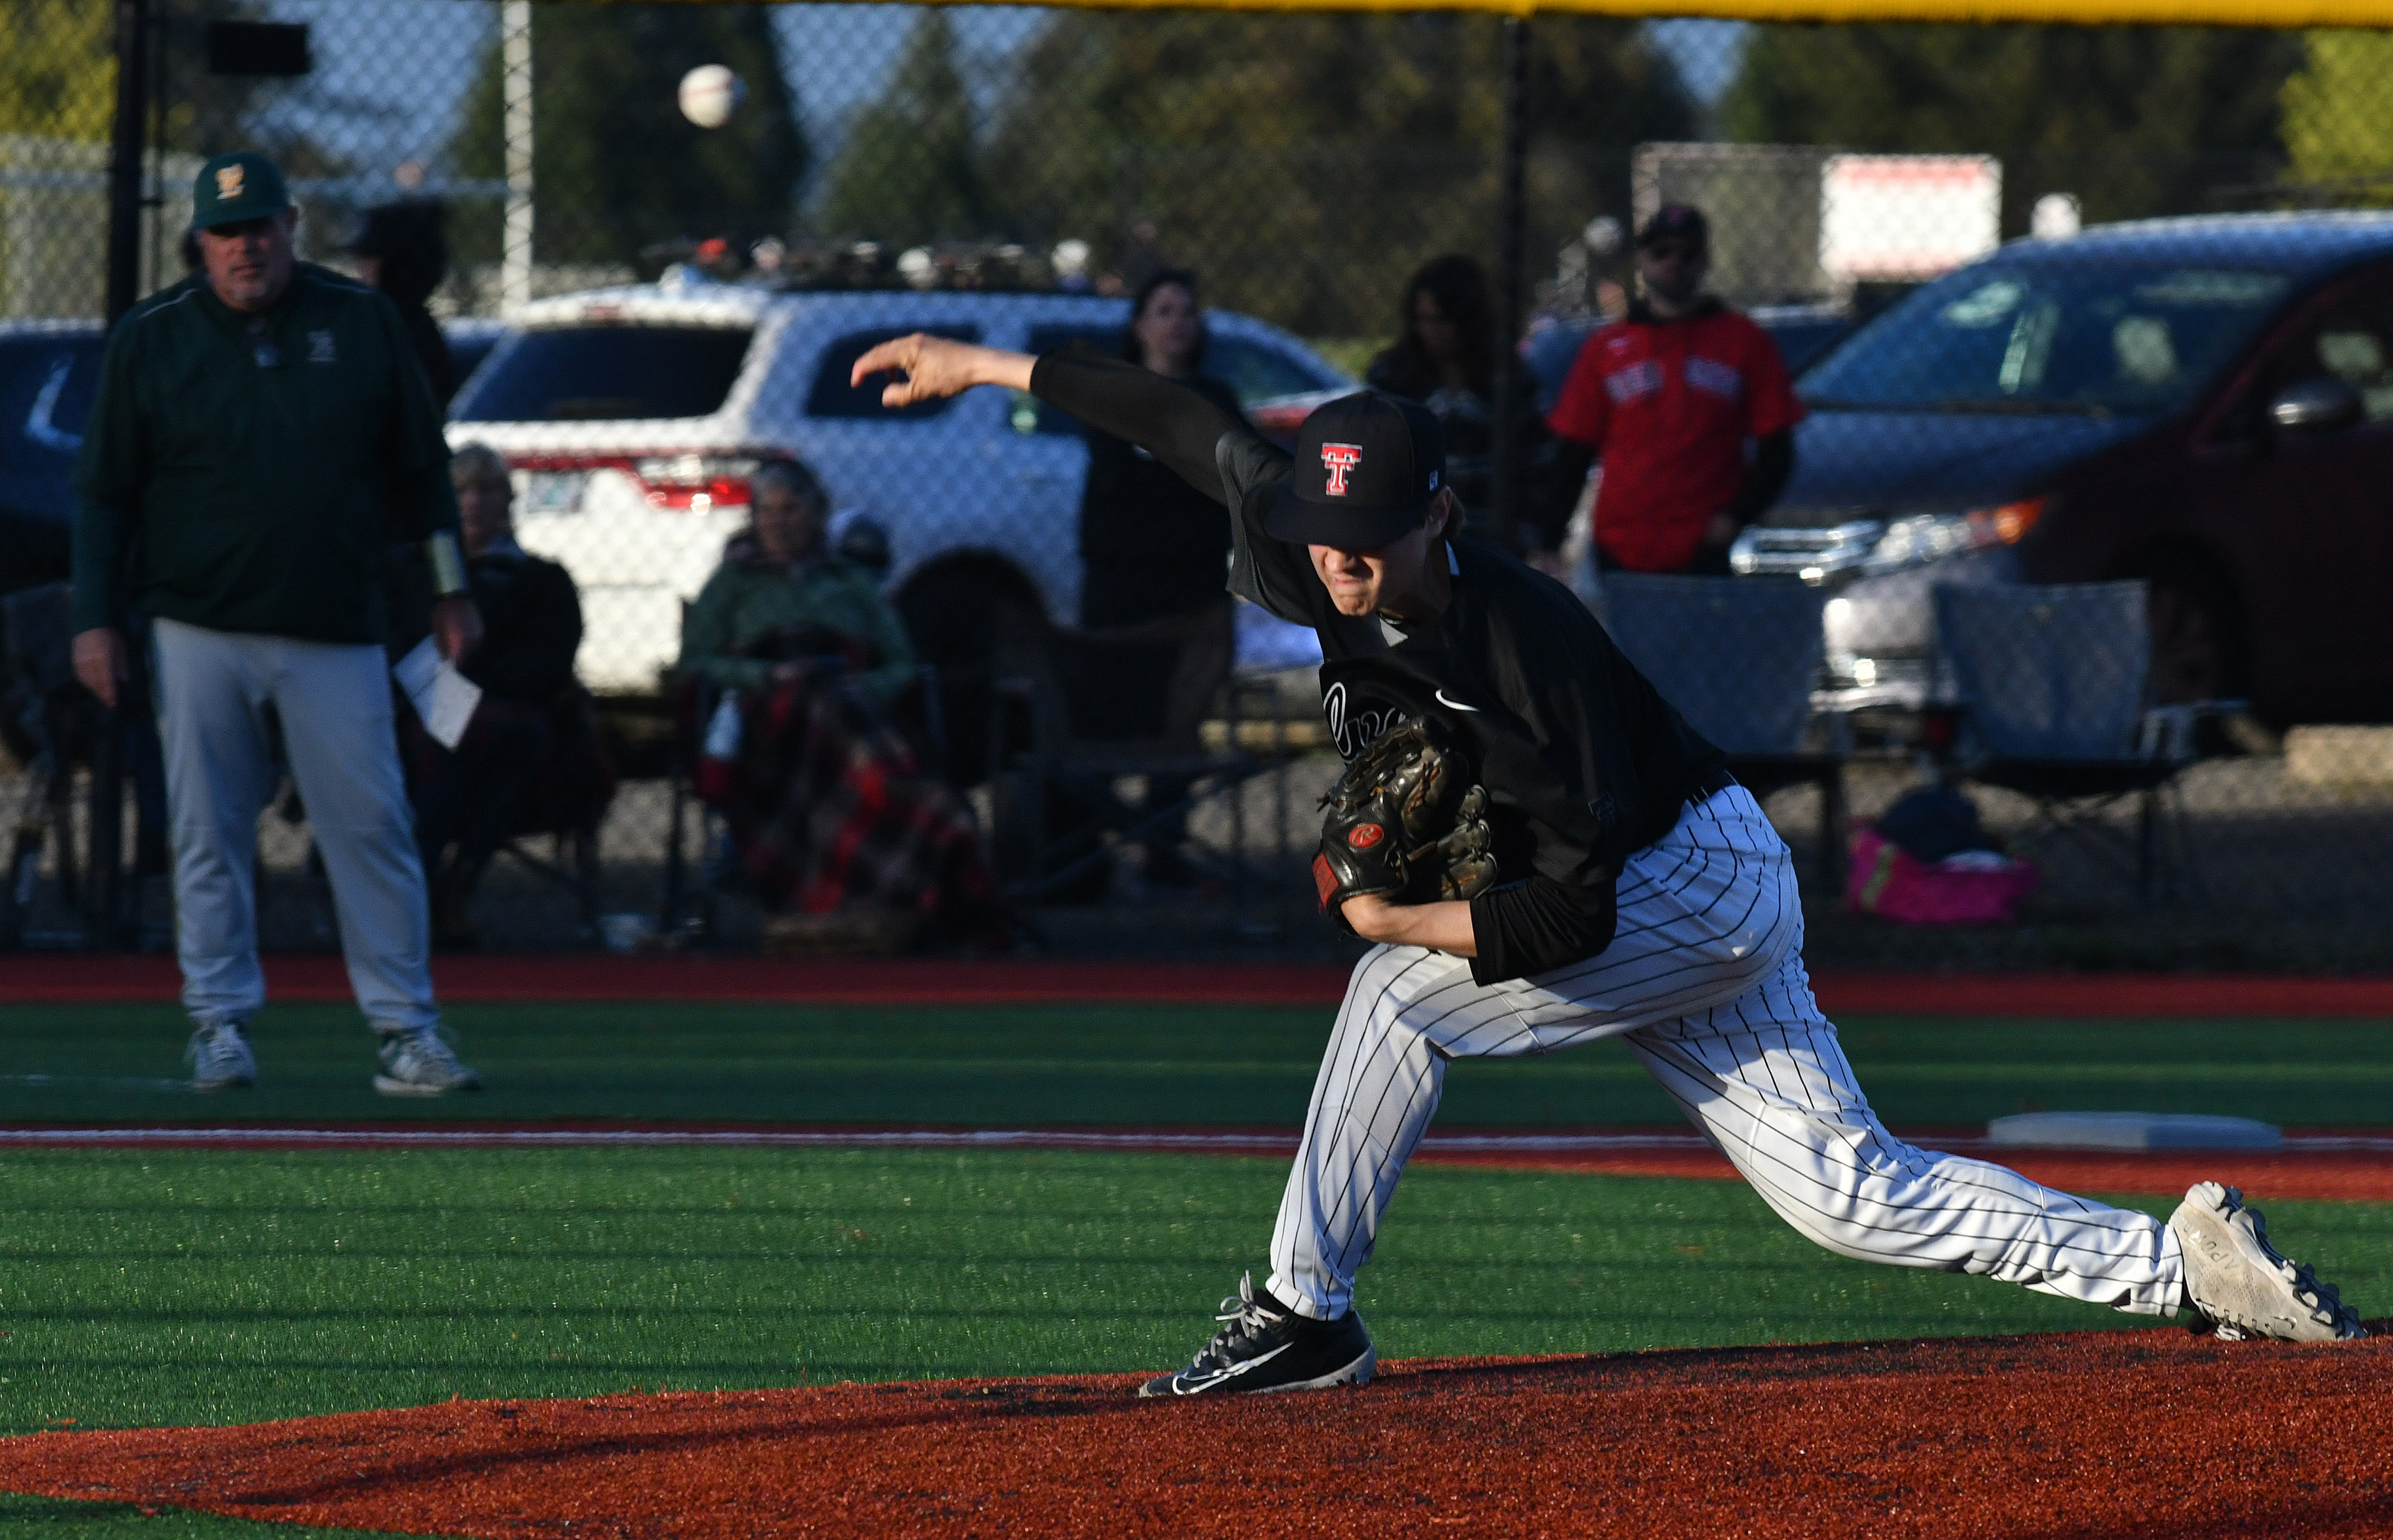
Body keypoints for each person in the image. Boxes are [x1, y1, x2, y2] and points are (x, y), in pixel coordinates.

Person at [851, 329, 2366, 1395]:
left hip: (1678, 881)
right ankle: (2181, 1265)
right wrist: (983, 367)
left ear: (1441, 512)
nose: (1338, 558)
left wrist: (1394, 910)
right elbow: (1183, 420)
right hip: (1685, 883)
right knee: (1847, 1189)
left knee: (1395, 991)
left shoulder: (1528, 648)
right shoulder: (1303, 525)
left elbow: (1567, 905)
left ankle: (1304, 1313)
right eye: (1324, 531)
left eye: (1369, 533)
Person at [70, 152, 481, 1095]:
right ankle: (218, 1022)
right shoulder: (153, 336)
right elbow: (103, 495)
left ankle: (405, 1029)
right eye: (225, 232)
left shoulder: (361, 320)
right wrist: (95, 619)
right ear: (200, 243)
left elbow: (423, 468)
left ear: (290, 225)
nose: (244, 247)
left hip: (335, 620)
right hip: (197, 620)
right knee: (207, 826)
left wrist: (451, 585)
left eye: (258, 226)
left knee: (370, 821)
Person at [676, 459, 1000, 953]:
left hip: (852, 711)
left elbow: (900, 664)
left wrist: (862, 689)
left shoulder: (851, 582)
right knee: (816, 695)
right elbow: (696, 660)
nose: (779, 522)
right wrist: (765, 675)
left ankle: (899, 809)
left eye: (791, 509)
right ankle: (886, 802)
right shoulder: (733, 583)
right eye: (768, 511)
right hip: (774, 720)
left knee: (837, 700)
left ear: (818, 514)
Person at [1077, 269, 1239, 887]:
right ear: (1140, 325)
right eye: (1164, 310)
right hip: (1122, 597)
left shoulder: (1215, 398)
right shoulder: (1112, 398)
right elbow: (1116, 503)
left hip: (1192, 596)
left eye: (1187, 312)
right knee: (1110, 723)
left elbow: (1223, 491)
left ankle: (1159, 843)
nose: (1178, 323)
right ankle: (1086, 852)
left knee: (1180, 722)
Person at [406, 444, 604, 949]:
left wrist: (479, 686)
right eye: (462, 492)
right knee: (451, 739)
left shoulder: (544, 580)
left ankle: (452, 884)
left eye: (488, 491)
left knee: (508, 735)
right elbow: (402, 652)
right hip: (428, 711)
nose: (475, 504)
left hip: (511, 719)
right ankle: (426, 890)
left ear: (509, 501)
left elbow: (549, 663)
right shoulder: (413, 575)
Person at [1547, 205, 1803, 576]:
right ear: (1642, 259)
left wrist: (1735, 518)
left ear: (1706, 260)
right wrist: (1550, 542)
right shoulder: (1607, 348)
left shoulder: (1744, 342)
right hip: (1621, 547)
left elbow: (1777, 450)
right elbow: (1574, 452)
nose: (1674, 262)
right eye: (1661, 252)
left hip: (1703, 550)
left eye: (1688, 253)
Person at [1364, 255, 1560, 560]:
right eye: (1422, 319)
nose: (1430, 330)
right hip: (1415, 543)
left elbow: (1541, 465)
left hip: (1492, 543)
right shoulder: (1393, 378)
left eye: (1441, 319)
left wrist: (1532, 537)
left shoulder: (1510, 381)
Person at [344, 199, 457, 406]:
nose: (359, 267)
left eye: (370, 257)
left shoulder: (395, 332)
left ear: (395, 265)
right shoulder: (383, 325)